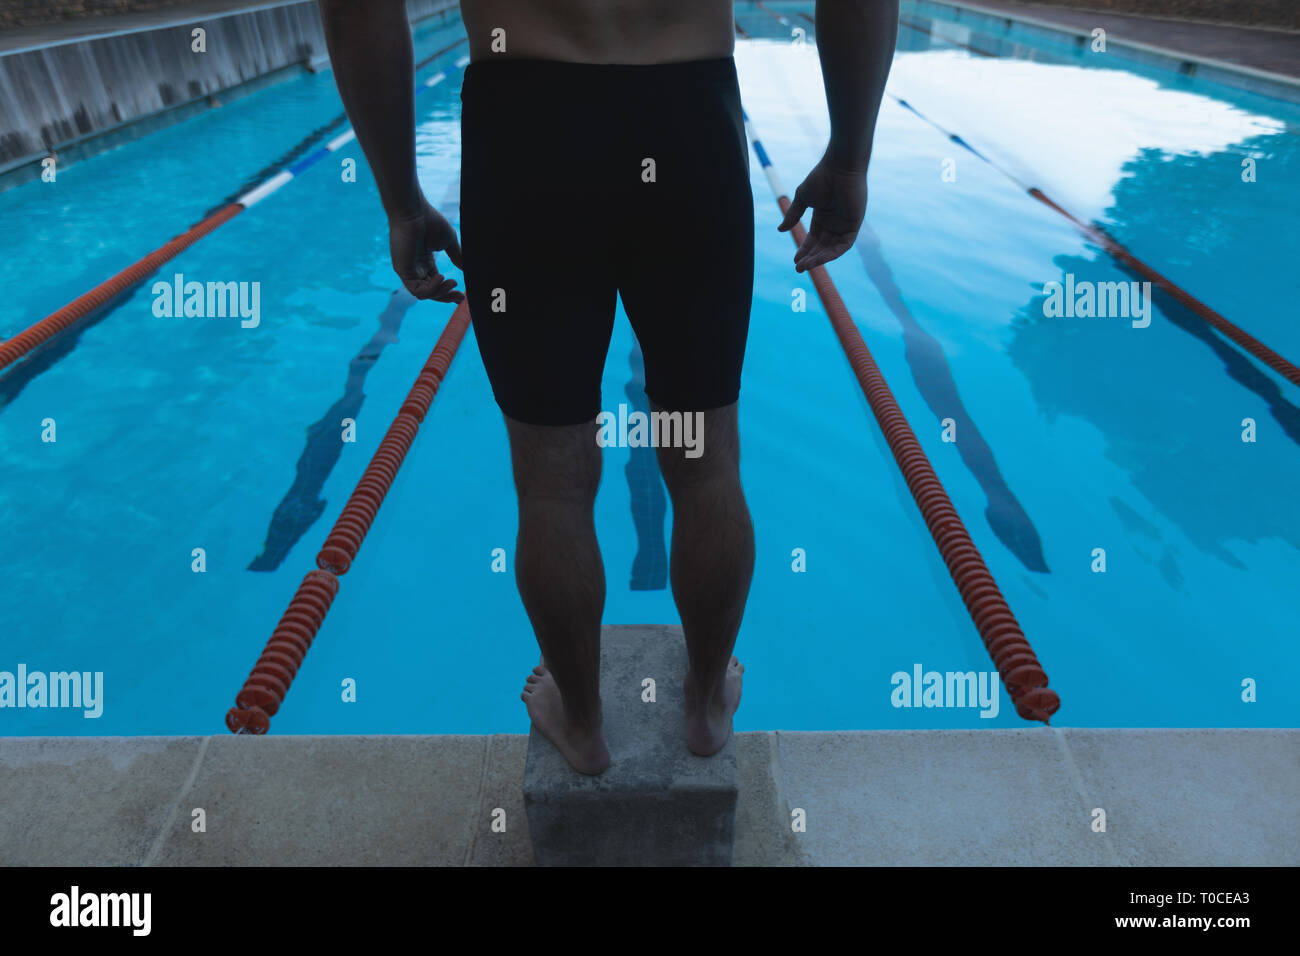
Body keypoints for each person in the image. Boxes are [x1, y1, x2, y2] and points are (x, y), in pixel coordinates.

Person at [317, 0, 898, 774]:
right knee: (707, 462)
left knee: (550, 482)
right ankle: (704, 703)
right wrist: (851, 156)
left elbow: (357, 10)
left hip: (524, 127)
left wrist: (399, 197)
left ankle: (584, 722)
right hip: (687, 116)